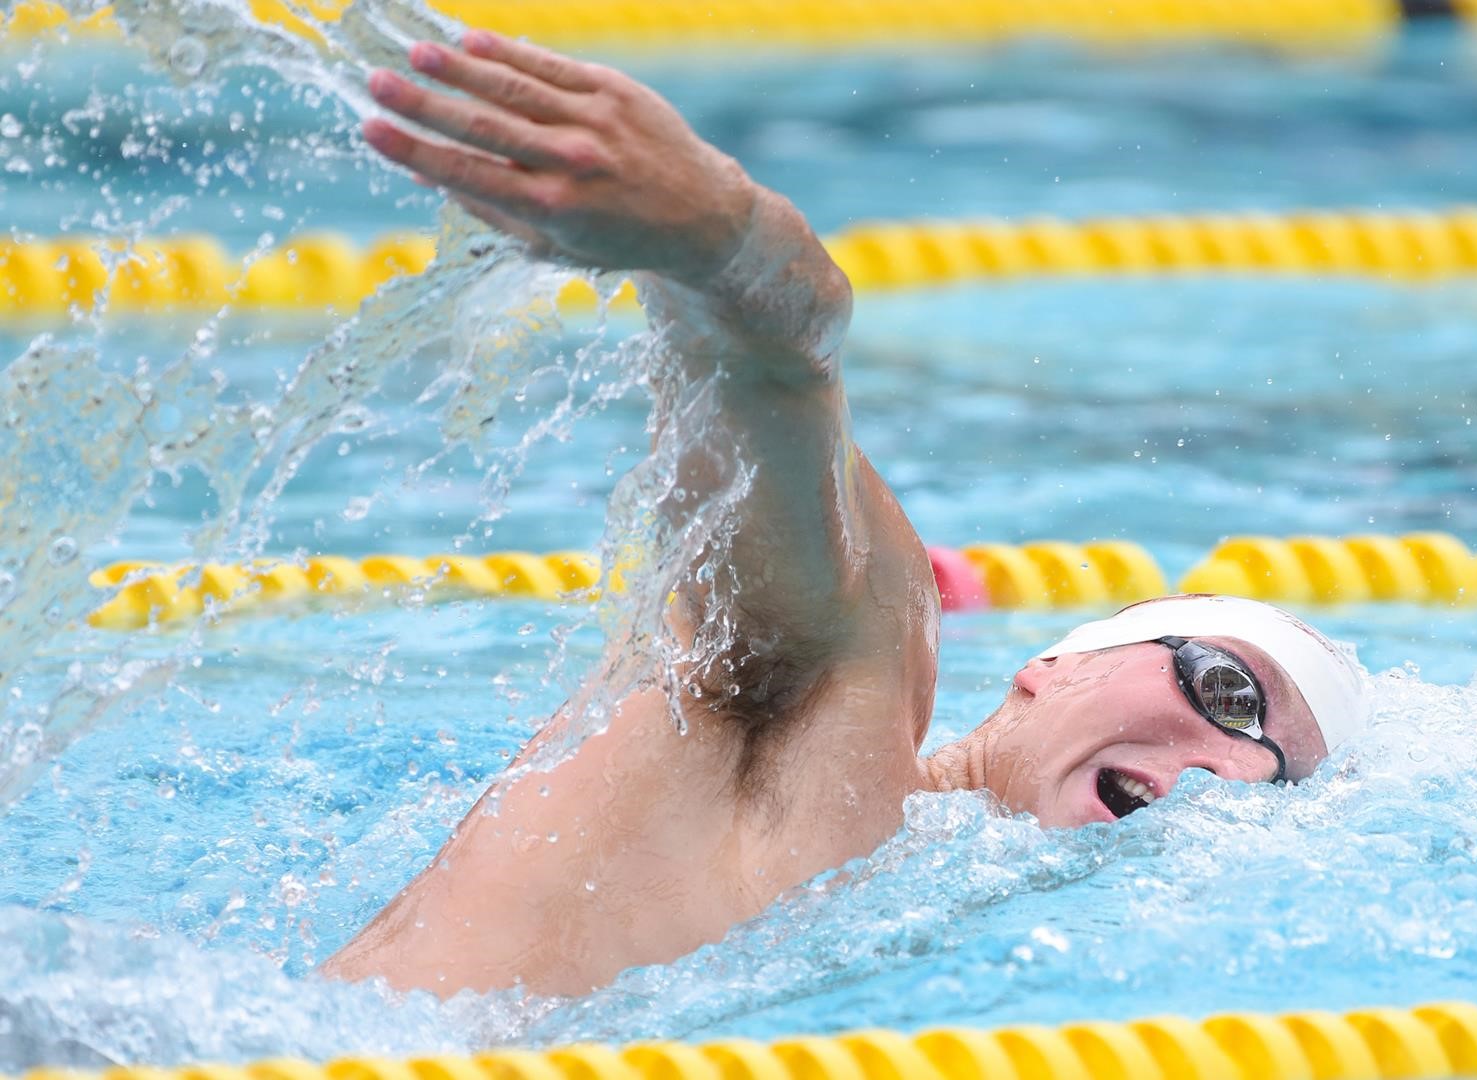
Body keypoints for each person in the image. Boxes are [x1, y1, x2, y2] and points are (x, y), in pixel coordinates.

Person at [322, 29, 1370, 999]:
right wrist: (720, 238)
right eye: (1229, 692)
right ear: (1054, 668)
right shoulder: (843, 691)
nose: (1231, 775)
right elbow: (776, 373)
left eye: (1268, 786)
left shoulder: (931, 921)